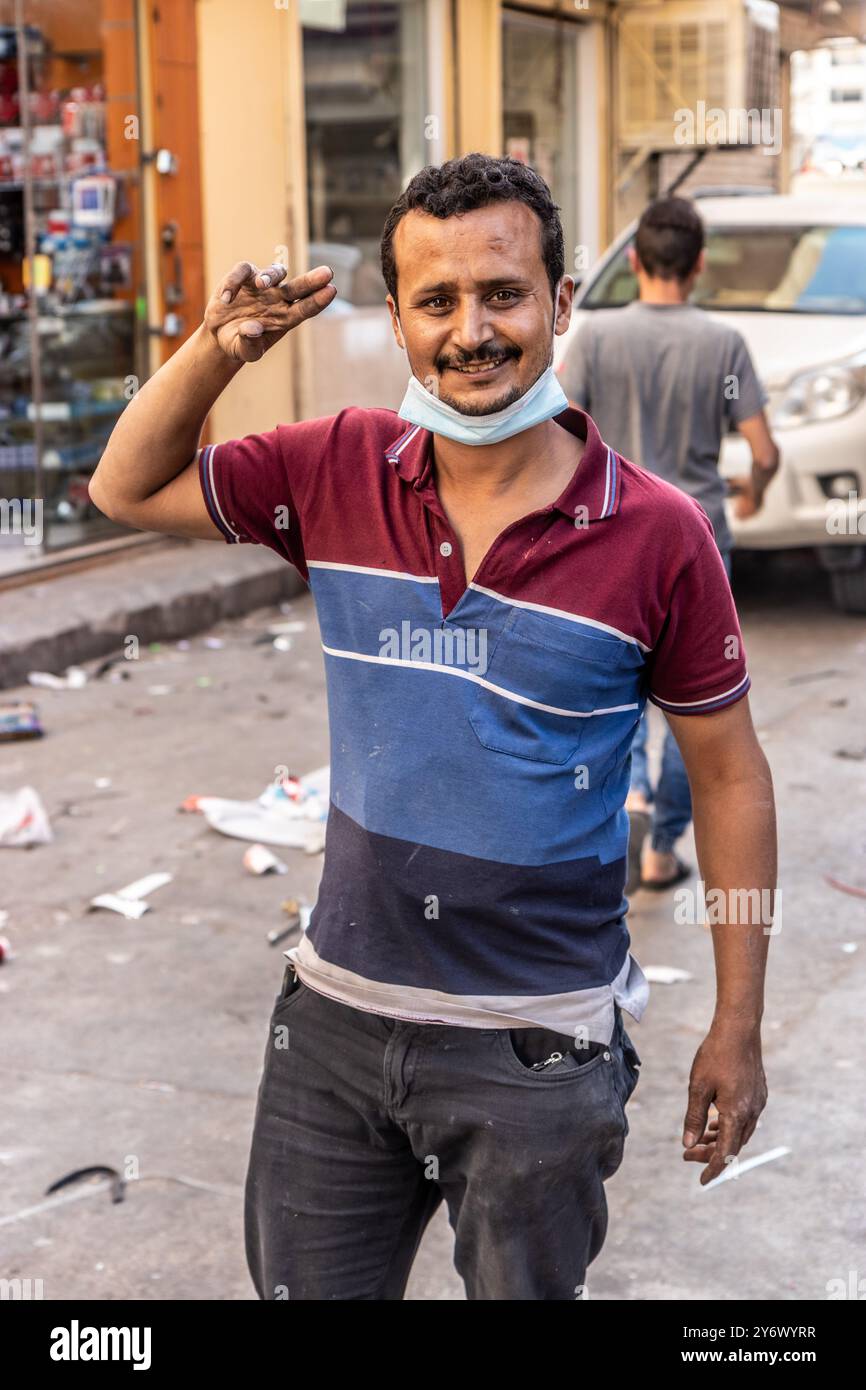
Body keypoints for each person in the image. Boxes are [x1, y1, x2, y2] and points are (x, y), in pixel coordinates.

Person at [89, 154, 775, 1301]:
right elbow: (124, 487)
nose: (472, 332)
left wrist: (736, 1025)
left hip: (538, 1052)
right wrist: (218, 347)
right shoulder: (334, 465)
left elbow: (729, 776)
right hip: (335, 1027)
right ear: (400, 321)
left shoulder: (658, 537)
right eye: (436, 302)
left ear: (560, 304)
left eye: (502, 294)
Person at [558, 195, 779, 893]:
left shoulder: (593, 338)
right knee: (703, 702)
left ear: (633, 261)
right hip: (700, 536)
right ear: (700, 264)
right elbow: (764, 449)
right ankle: (663, 847)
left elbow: (558, 430)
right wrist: (753, 493)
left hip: (609, 534)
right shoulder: (724, 344)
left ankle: (628, 801)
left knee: (616, 687)